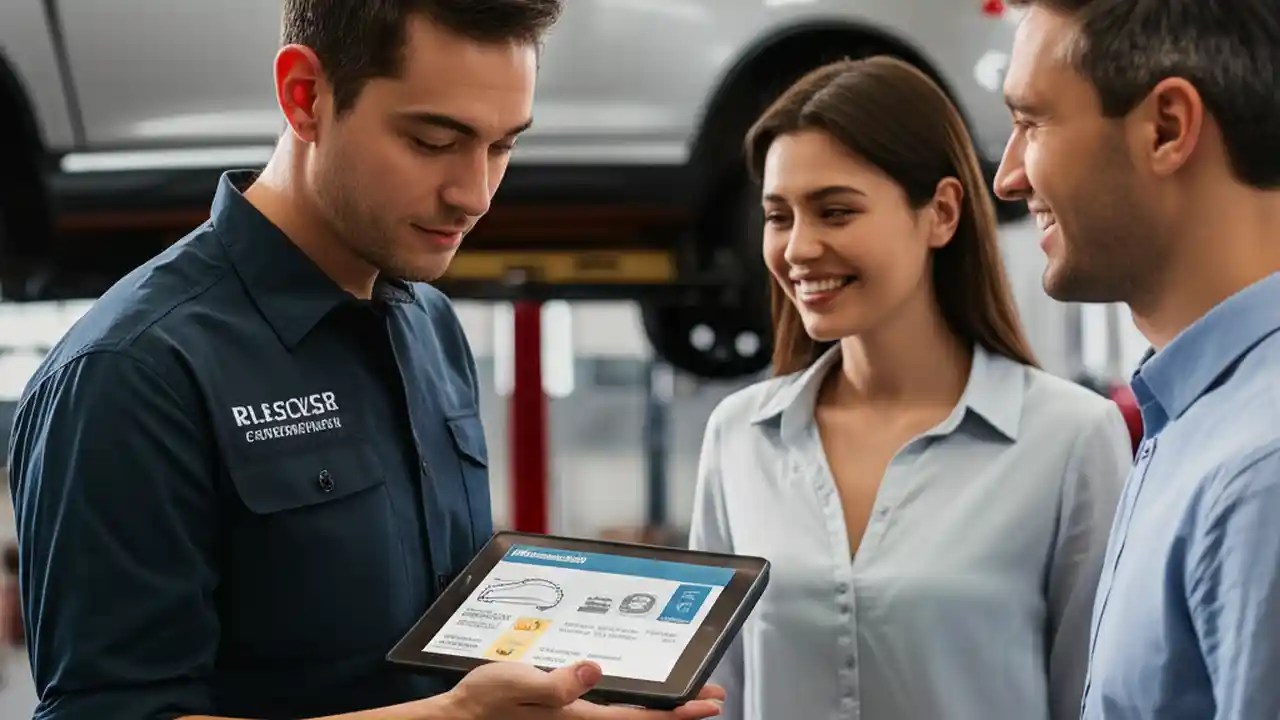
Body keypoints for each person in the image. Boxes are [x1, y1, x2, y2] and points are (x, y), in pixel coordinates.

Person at [5, 1, 722, 719]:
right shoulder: (128, 375)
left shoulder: (431, 325)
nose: (474, 195)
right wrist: (456, 718)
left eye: (502, 146)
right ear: (304, 97)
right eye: (433, 140)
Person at [687, 56, 1135, 720]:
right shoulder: (738, 436)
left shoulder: (1071, 439)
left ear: (942, 213)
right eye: (779, 217)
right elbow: (715, 699)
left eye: (835, 211)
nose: (799, 247)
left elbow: (1096, 701)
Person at [995, 1, 1280, 718]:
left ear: (1167, 129)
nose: (1007, 176)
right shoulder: (1194, 422)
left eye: (1031, 123)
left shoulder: (1258, 474)